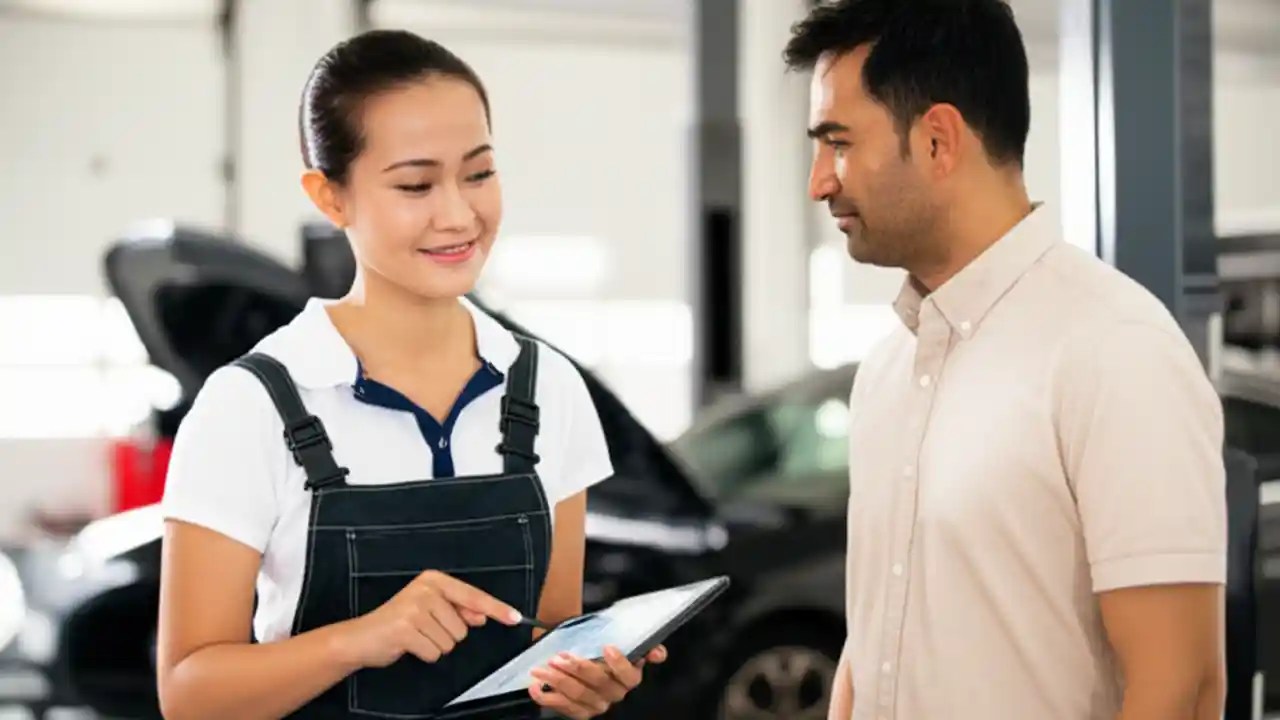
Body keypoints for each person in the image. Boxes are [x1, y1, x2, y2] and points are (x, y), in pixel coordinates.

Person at [155, 29, 665, 720]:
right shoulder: (251, 406)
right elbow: (189, 695)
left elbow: (545, 644)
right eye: (415, 185)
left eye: (479, 174)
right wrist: (360, 640)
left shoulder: (547, 387)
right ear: (330, 197)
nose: (458, 214)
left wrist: (581, 682)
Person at [784, 1, 1228, 719]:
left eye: (838, 143)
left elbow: (1181, 686)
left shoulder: (1116, 348)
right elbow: (870, 649)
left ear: (938, 140)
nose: (819, 182)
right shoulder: (889, 369)